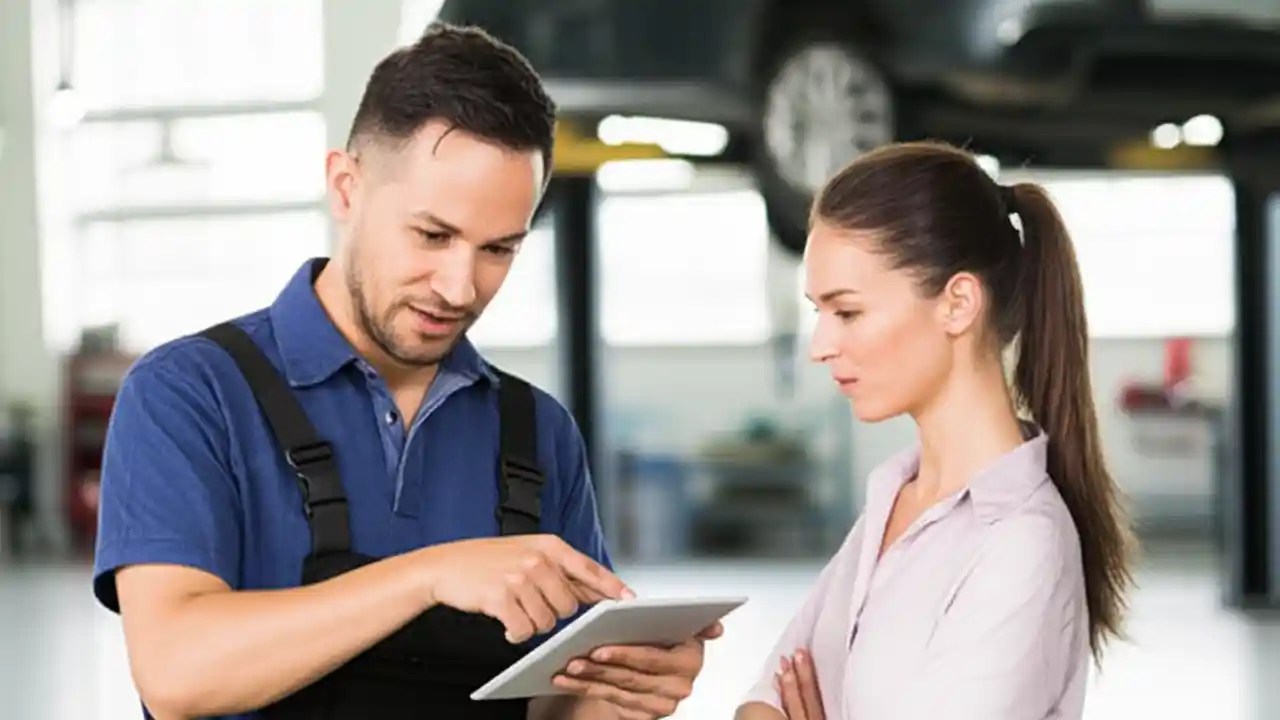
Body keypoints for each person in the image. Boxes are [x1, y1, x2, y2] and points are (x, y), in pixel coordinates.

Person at [93, 23, 717, 720]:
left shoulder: (538, 432)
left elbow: (548, 708)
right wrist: (429, 575)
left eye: (499, 249)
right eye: (433, 235)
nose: (459, 286)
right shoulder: (190, 394)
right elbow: (176, 673)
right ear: (346, 187)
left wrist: (620, 693)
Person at [736, 141, 1134, 720]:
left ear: (958, 304)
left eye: (847, 312)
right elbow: (759, 703)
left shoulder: (1024, 543)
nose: (821, 347)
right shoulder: (891, 500)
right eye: (817, 313)